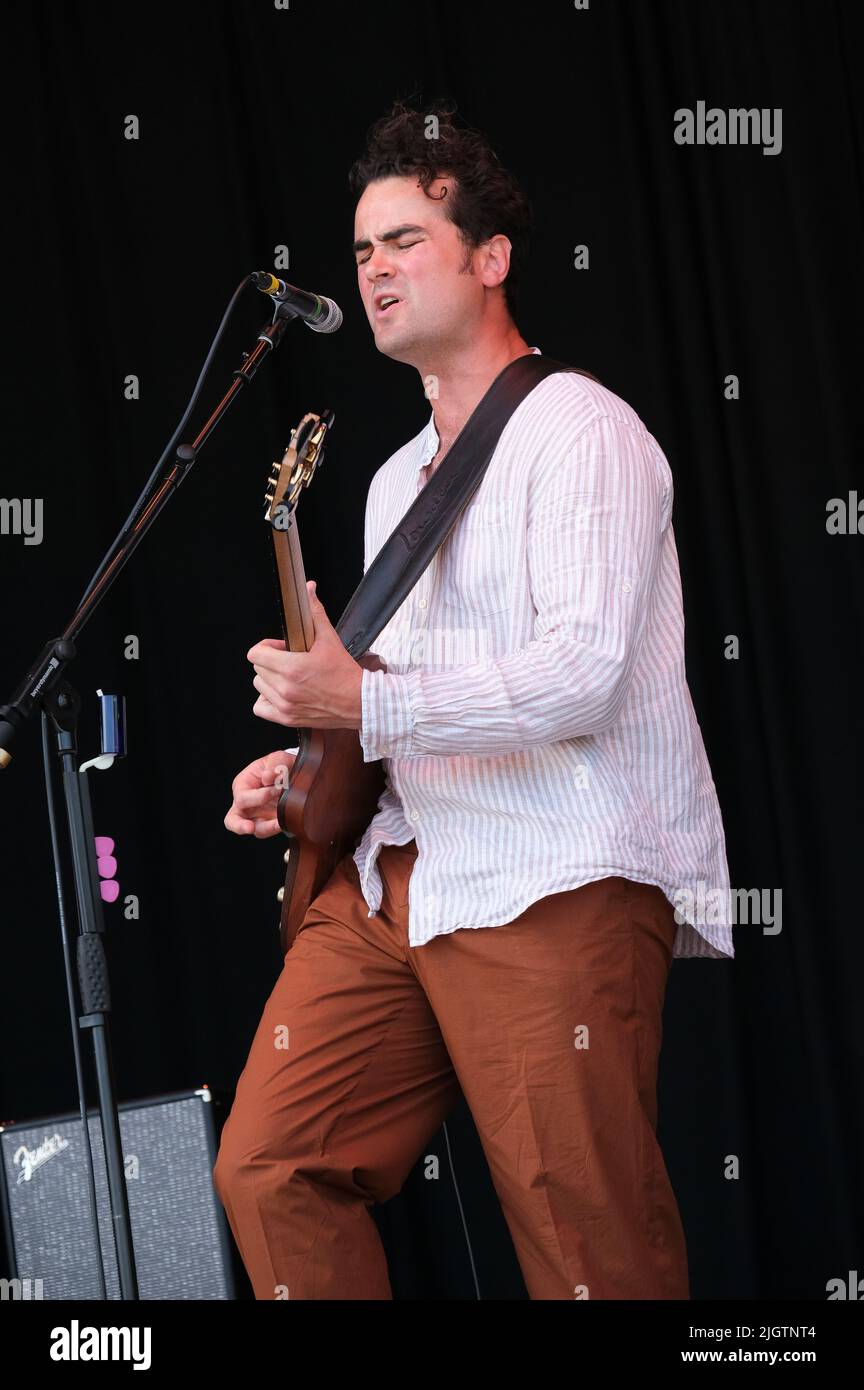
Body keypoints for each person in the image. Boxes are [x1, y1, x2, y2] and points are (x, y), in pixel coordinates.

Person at [212, 97, 733, 1301]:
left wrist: (365, 707)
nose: (374, 268)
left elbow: (582, 671)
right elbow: (393, 698)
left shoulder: (581, 431)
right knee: (270, 1165)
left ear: (489, 259)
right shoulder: (394, 481)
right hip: (406, 872)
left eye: (405, 240)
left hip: (552, 869)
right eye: (358, 250)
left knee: (584, 1244)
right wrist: (303, 772)